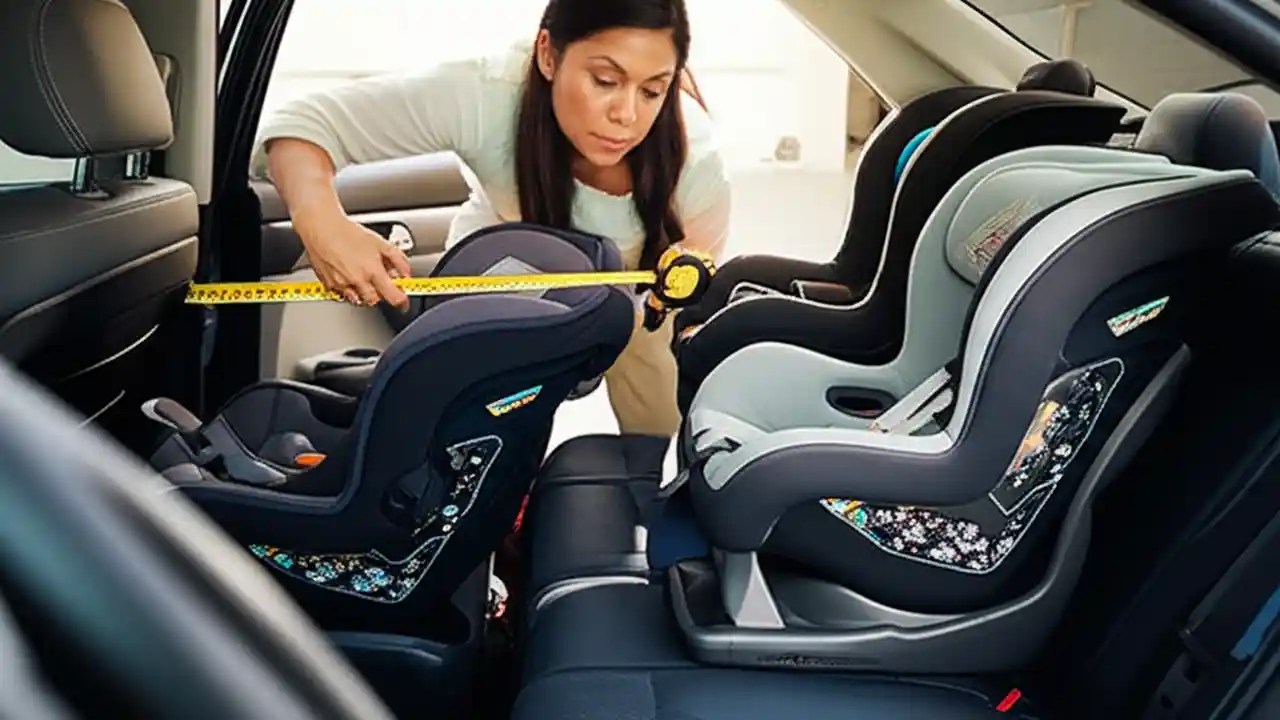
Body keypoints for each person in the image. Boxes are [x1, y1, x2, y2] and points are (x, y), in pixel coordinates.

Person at [249, 0, 730, 438]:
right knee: (472, 421)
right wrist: (324, 224)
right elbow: (301, 126)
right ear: (548, 54)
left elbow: (699, 255)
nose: (626, 114)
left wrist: (667, 292)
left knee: (661, 429)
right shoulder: (487, 96)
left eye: (652, 90)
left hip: (636, 294)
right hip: (508, 263)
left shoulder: (696, 158)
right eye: (605, 81)